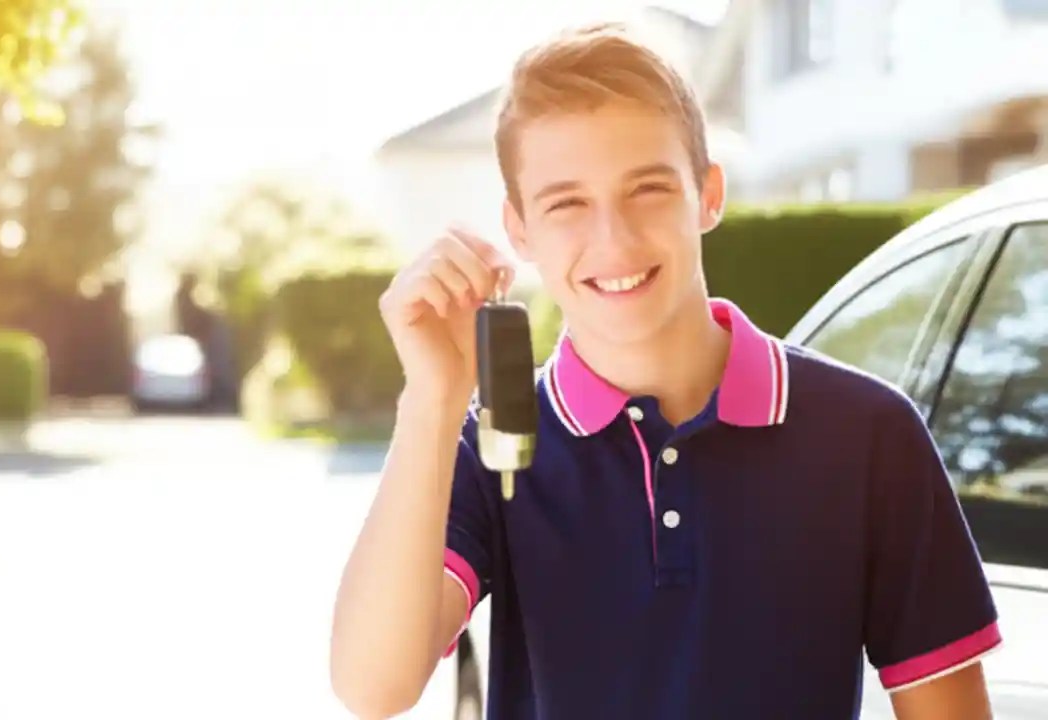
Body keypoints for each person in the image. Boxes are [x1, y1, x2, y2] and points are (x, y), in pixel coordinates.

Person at [329, 21, 1000, 720]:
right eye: (567, 203)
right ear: (519, 228)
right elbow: (372, 688)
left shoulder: (869, 435)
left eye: (647, 189)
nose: (613, 238)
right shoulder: (489, 443)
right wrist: (432, 401)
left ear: (708, 194)